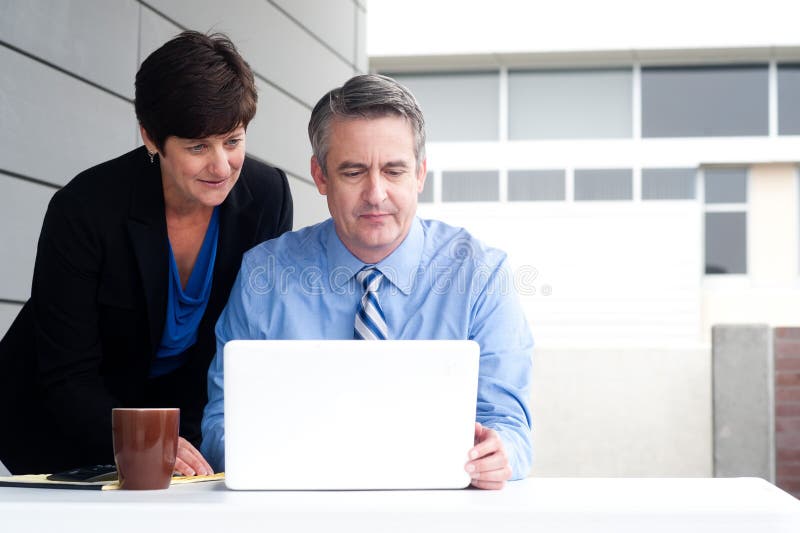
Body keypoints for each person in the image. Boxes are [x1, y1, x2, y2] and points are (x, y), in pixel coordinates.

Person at [201, 74, 532, 490]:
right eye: (354, 172)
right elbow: (220, 424)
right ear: (320, 176)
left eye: (394, 171)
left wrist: (501, 455)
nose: (376, 194)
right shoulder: (264, 275)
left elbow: (510, 428)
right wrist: (266, 453)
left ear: (420, 174)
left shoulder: (482, 277)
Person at [0, 31, 293, 475]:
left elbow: (250, 345)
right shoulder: (84, 210)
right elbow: (66, 374)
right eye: (198, 147)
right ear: (151, 139)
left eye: (233, 140)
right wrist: (147, 441)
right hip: (61, 421)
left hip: (181, 429)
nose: (220, 166)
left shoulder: (267, 197)